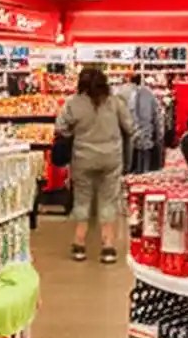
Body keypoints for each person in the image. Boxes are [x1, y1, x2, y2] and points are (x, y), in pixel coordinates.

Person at [55, 67, 134, 263]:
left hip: (83, 158)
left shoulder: (74, 103)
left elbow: (61, 127)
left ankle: (79, 245)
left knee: (82, 200)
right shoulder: (115, 102)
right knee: (108, 200)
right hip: (111, 158)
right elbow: (130, 127)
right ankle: (108, 247)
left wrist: (76, 133)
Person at [125, 74, 163, 174]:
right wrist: (158, 133)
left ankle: (136, 170)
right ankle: (144, 171)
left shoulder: (125, 93)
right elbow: (155, 115)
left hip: (132, 134)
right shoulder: (148, 93)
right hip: (145, 132)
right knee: (144, 152)